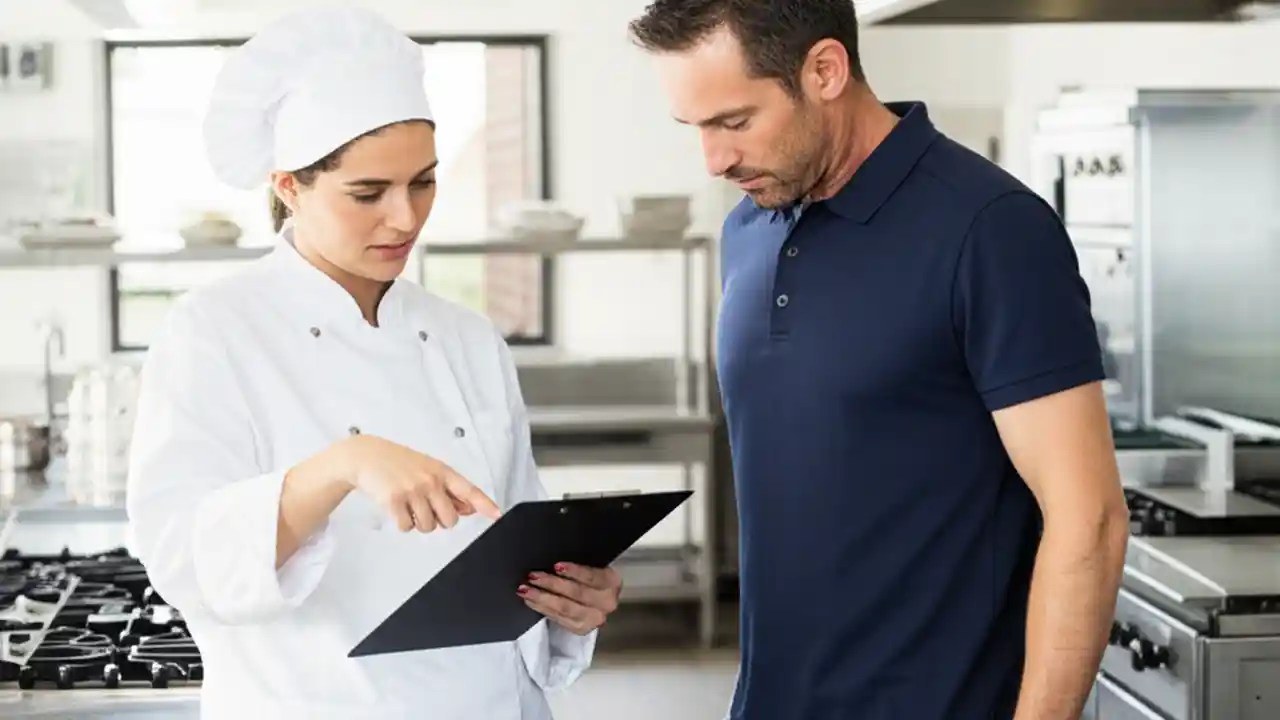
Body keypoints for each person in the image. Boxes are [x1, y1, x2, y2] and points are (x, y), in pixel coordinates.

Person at [629, 2, 1129, 719]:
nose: (714, 161)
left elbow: (1091, 520)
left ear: (826, 71)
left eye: (734, 122)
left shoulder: (990, 231)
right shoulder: (748, 228)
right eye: (696, 129)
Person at [125, 6, 620, 719]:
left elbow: (515, 544)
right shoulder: (213, 333)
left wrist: (571, 597)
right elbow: (183, 557)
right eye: (368, 193)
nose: (406, 218)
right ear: (288, 186)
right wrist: (341, 465)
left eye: (423, 182)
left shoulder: (466, 338)